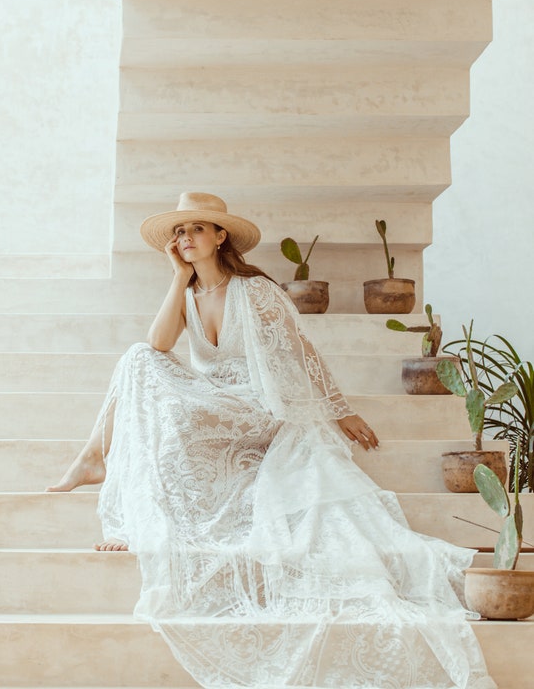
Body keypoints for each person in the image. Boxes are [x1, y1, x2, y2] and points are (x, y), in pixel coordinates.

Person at [48, 192, 496, 689]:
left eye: (196, 229)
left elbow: (301, 350)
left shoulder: (255, 290)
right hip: (214, 400)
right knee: (138, 357)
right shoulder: (188, 293)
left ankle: (98, 459)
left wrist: (339, 408)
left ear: (221, 236)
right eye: (179, 232)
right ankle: (95, 457)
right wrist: (177, 277)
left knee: (167, 404)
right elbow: (159, 344)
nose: (185, 238)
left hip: (258, 408)